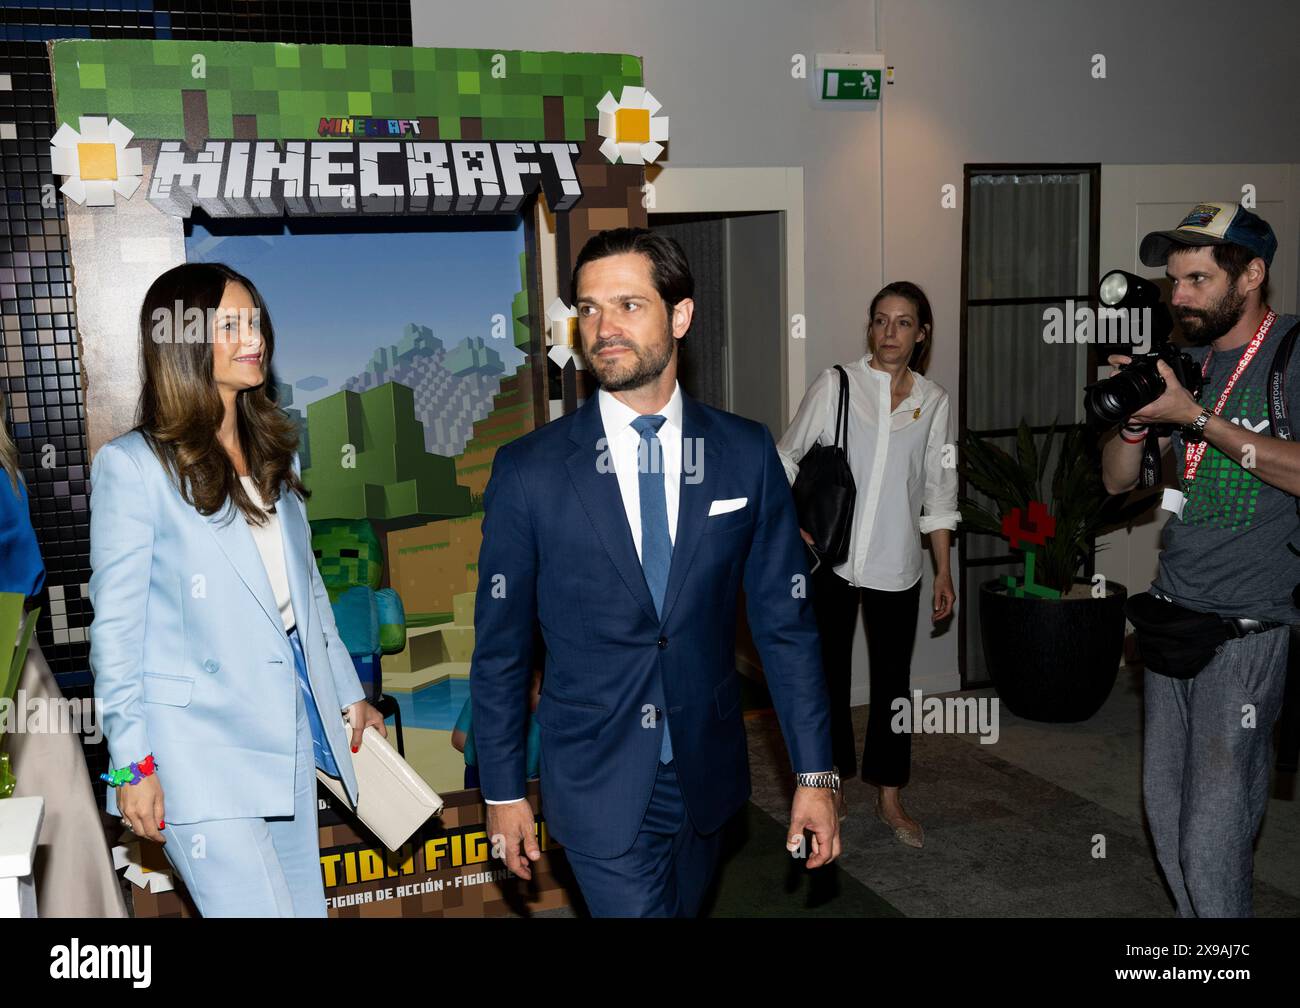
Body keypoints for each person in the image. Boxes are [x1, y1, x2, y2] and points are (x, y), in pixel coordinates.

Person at [471, 227, 839, 917]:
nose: (603, 328)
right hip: (595, 776)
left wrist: (815, 774)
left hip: (707, 772)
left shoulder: (744, 453)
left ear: (681, 316)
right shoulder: (530, 472)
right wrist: (502, 789)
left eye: (628, 305)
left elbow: (786, 628)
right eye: (588, 308)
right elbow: (501, 649)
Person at [88, 262, 386, 917]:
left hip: (282, 740)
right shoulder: (132, 468)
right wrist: (129, 772)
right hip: (195, 755)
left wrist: (348, 693)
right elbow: (114, 638)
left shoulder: (275, 450)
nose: (254, 336)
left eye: (254, 320)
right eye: (231, 324)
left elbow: (307, 598)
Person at [1100, 202, 1300, 917]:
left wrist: (1195, 418)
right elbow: (1120, 483)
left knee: (1214, 840)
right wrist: (1136, 416)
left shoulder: (1290, 356)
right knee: (1171, 826)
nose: (1177, 297)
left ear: (1251, 275)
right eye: (1173, 281)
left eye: (1195, 280)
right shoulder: (1190, 366)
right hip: (1173, 622)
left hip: (1246, 631)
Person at [777, 281, 959, 848]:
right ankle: (828, 788)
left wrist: (944, 571)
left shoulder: (934, 401)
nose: (889, 333)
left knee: (893, 683)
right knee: (826, 675)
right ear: (869, 326)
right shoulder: (838, 385)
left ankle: (889, 793)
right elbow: (785, 455)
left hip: (899, 563)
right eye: (881, 321)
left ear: (921, 333)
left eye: (903, 323)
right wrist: (792, 532)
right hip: (832, 561)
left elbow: (939, 490)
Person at [1, 390, 126, 917]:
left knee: (62, 818)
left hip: (17, 658)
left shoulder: (5, 455)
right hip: (16, 655)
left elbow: (26, 570)